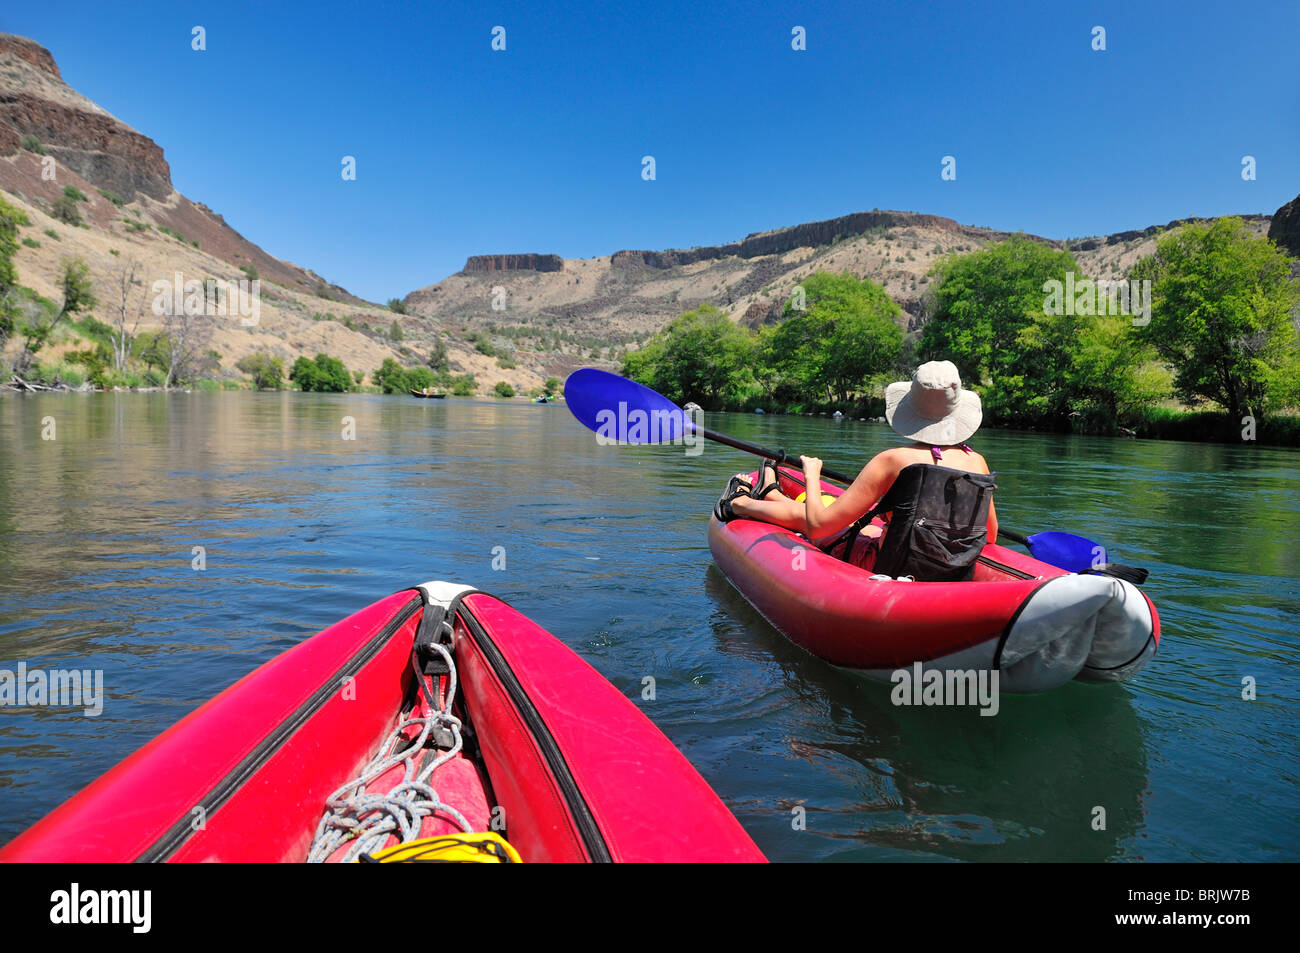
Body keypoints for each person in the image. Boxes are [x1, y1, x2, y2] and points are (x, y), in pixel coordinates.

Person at [718, 360, 997, 575]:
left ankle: (738, 503)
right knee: (857, 524)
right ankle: (771, 494)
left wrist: (812, 475)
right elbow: (990, 535)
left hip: (883, 566)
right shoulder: (978, 462)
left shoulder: (892, 461)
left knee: (824, 517)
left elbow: (818, 527)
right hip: (938, 569)